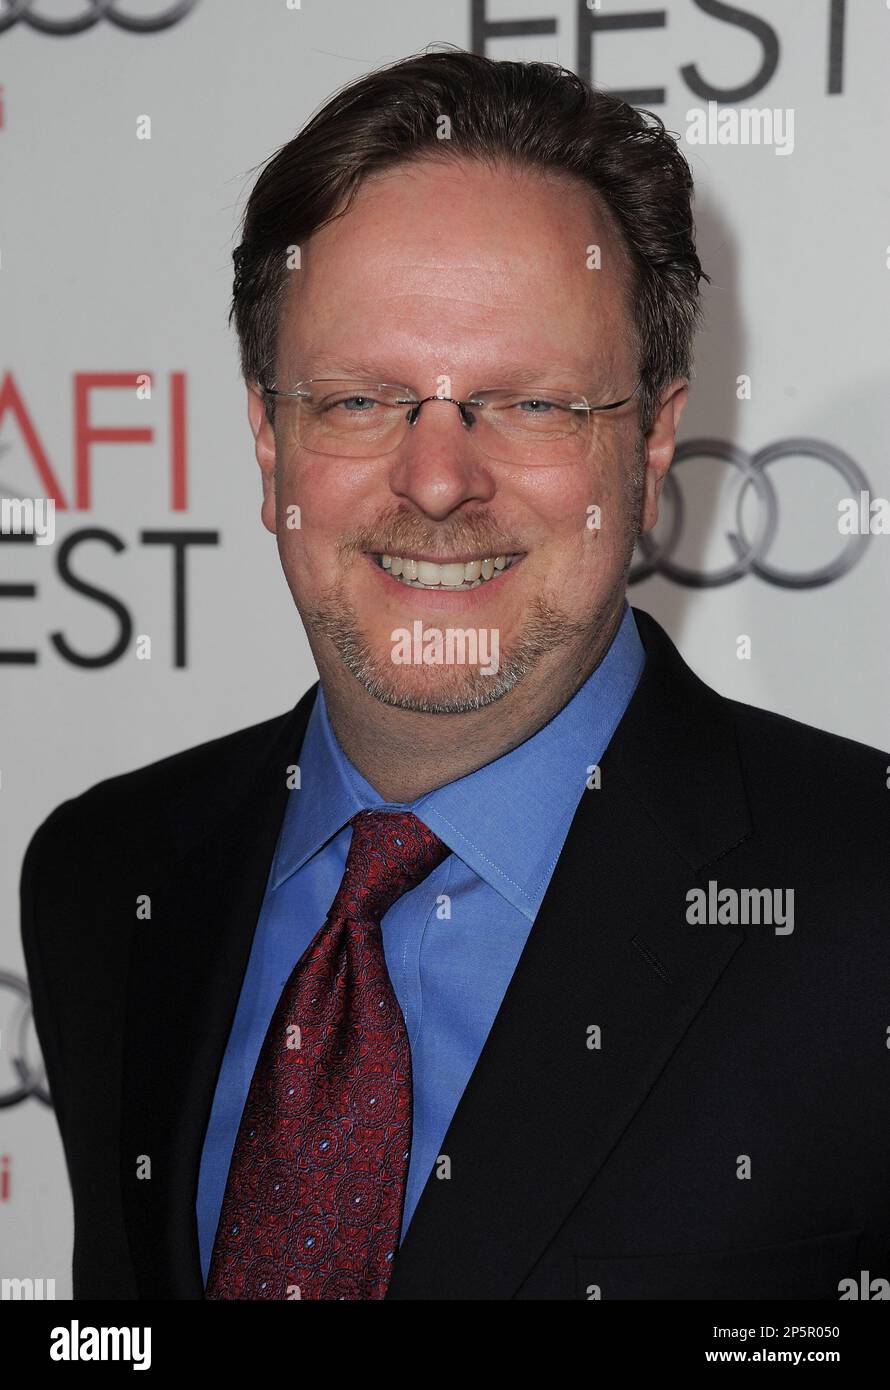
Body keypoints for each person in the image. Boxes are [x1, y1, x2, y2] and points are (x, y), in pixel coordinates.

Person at [20, 47, 889, 1301]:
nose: (436, 482)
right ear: (269, 441)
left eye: (529, 404)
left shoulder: (863, 904)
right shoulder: (104, 878)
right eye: (362, 398)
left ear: (649, 445)